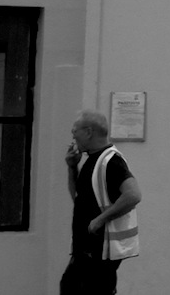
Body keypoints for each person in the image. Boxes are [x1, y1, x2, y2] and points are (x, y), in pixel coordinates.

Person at [62, 109, 143, 295]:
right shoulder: (92, 160)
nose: (73, 137)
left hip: (99, 254)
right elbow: (78, 198)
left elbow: (133, 195)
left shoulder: (111, 161)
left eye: (75, 132)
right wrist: (72, 168)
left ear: (89, 132)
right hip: (85, 251)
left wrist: (100, 220)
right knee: (68, 286)